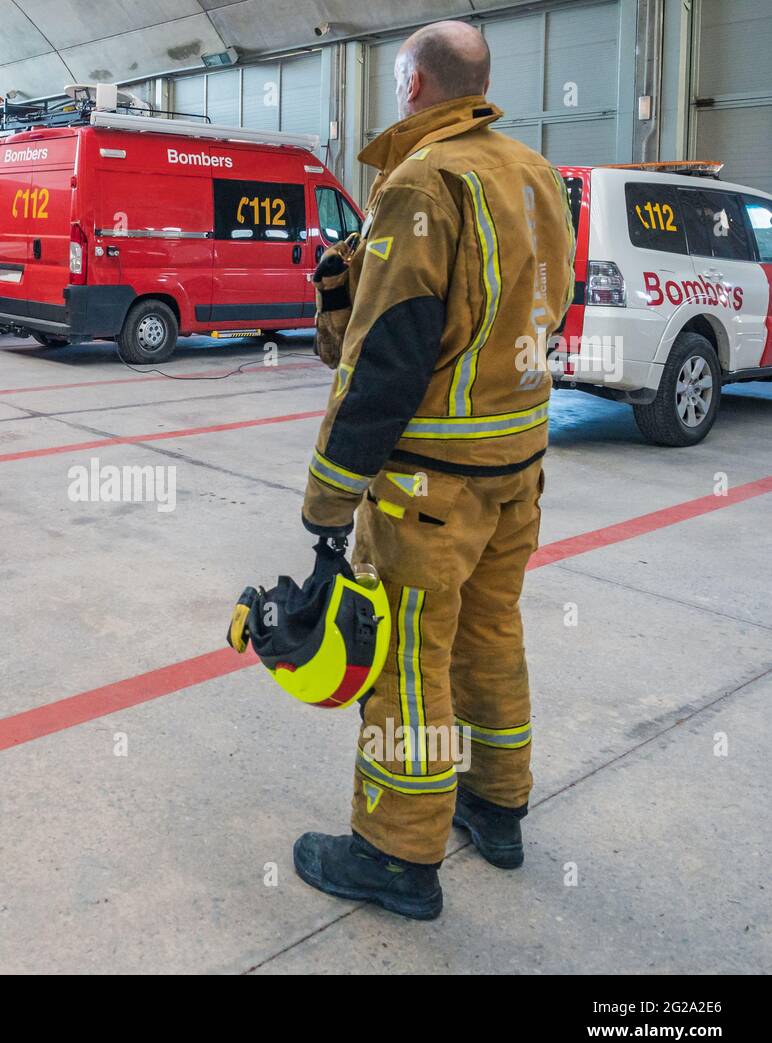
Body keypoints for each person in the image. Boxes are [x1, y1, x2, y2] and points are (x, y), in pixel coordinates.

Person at [293, 19, 575, 920]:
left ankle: (396, 852)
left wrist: (329, 494)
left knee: (409, 657)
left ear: (414, 85)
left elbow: (387, 356)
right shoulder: (535, 176)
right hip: (518, 466)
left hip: (431, 487)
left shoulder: (423, 183)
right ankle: (499, 806)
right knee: (493, 631)